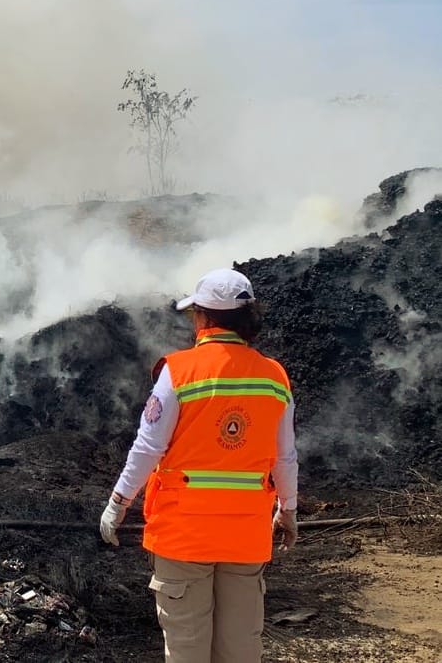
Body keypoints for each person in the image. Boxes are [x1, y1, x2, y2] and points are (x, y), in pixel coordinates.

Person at [99, 267, 299, 663]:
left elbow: (148, 447)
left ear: (203, 318)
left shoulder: (179, 372)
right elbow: (285, 456)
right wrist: (288, 509)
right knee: (240, 647)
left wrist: (119, 502)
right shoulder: (275, 377)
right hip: (245, 534)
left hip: (183, 532)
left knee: (188, 647)